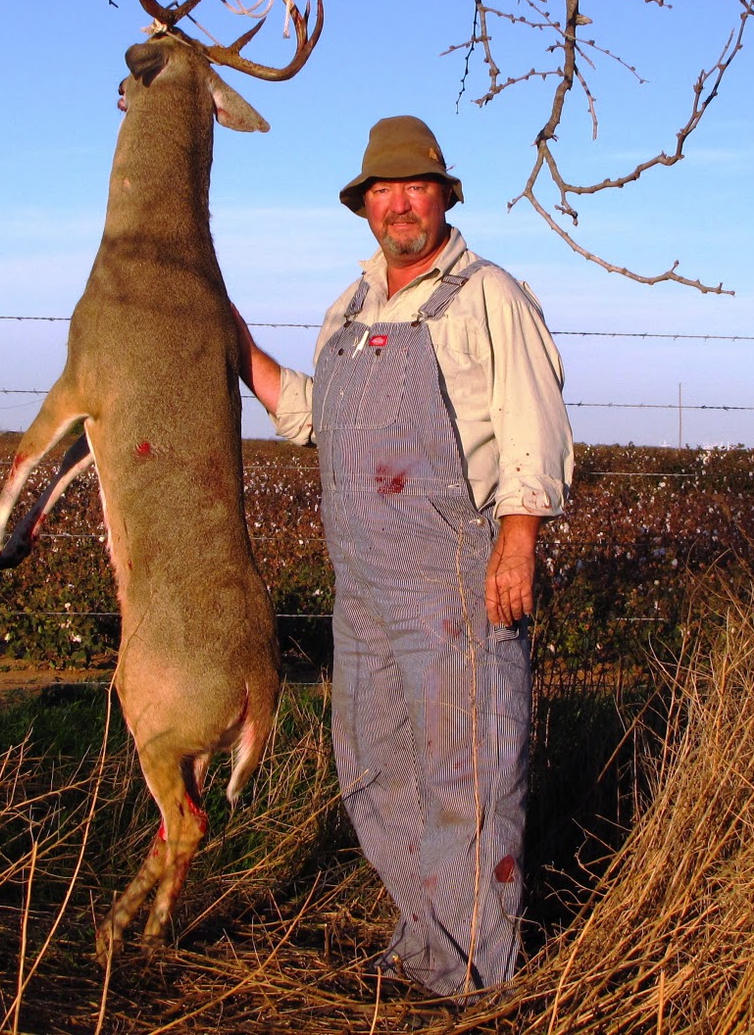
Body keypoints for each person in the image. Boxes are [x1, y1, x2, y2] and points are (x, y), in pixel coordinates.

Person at [234, 115, 575, 999]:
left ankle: (474, 981)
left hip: (456, 579)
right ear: (363, 206)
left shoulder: (486, 295)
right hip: (362, 589)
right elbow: (314, 419)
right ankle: (427, 946)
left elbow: (535, 422)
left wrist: (519, 540)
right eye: (382, 191)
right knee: (375, 769)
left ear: (444, 197)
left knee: (469, 778)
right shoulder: (348, 310)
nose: (398, 205)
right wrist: (237, 346)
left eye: (414, 187)